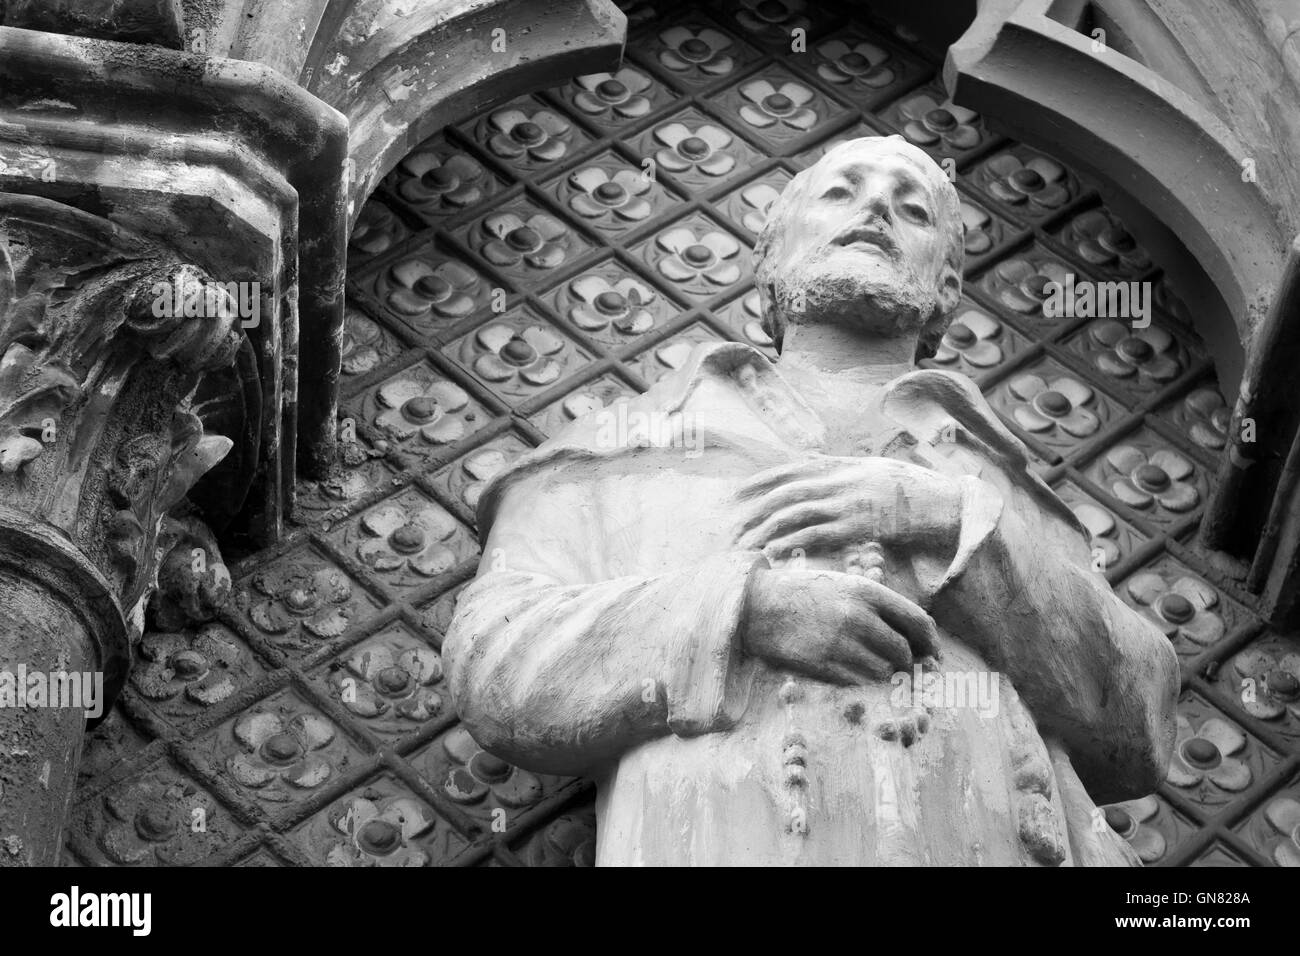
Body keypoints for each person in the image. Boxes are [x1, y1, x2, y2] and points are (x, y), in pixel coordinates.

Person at [443, 135, 1179, 866]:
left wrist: (947, 522)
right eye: (841, 192)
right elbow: (496, 660)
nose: (875, 212)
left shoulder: (997, 485)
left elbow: (1137, 727)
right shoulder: (625, 448)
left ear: (947, 289)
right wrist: (742, 613)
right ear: (769, 258)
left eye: (912, 209)